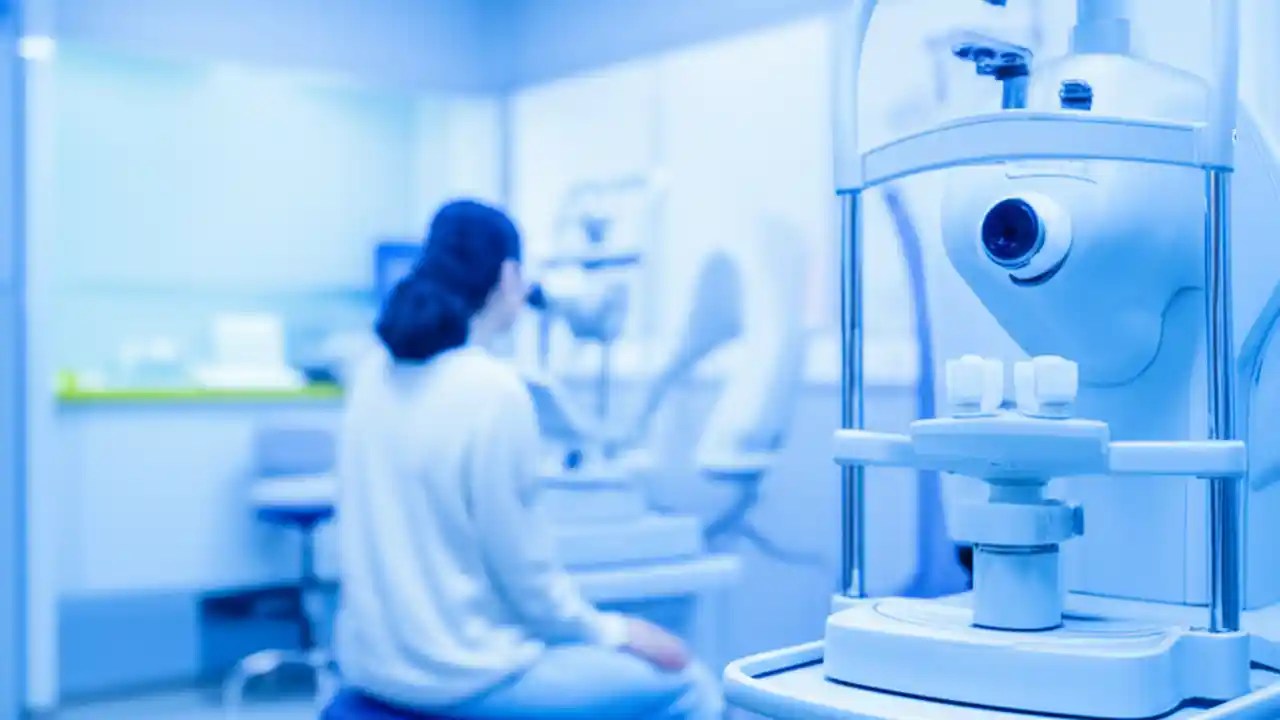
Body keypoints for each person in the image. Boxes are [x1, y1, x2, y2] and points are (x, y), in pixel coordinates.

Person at [323, 200, 722, 720]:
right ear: (510, 275)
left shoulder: (372, 373)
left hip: (370, 666)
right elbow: (530, 584)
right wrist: (617, 631)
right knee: (690, 685)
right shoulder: (493, 389)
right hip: (464, 680)